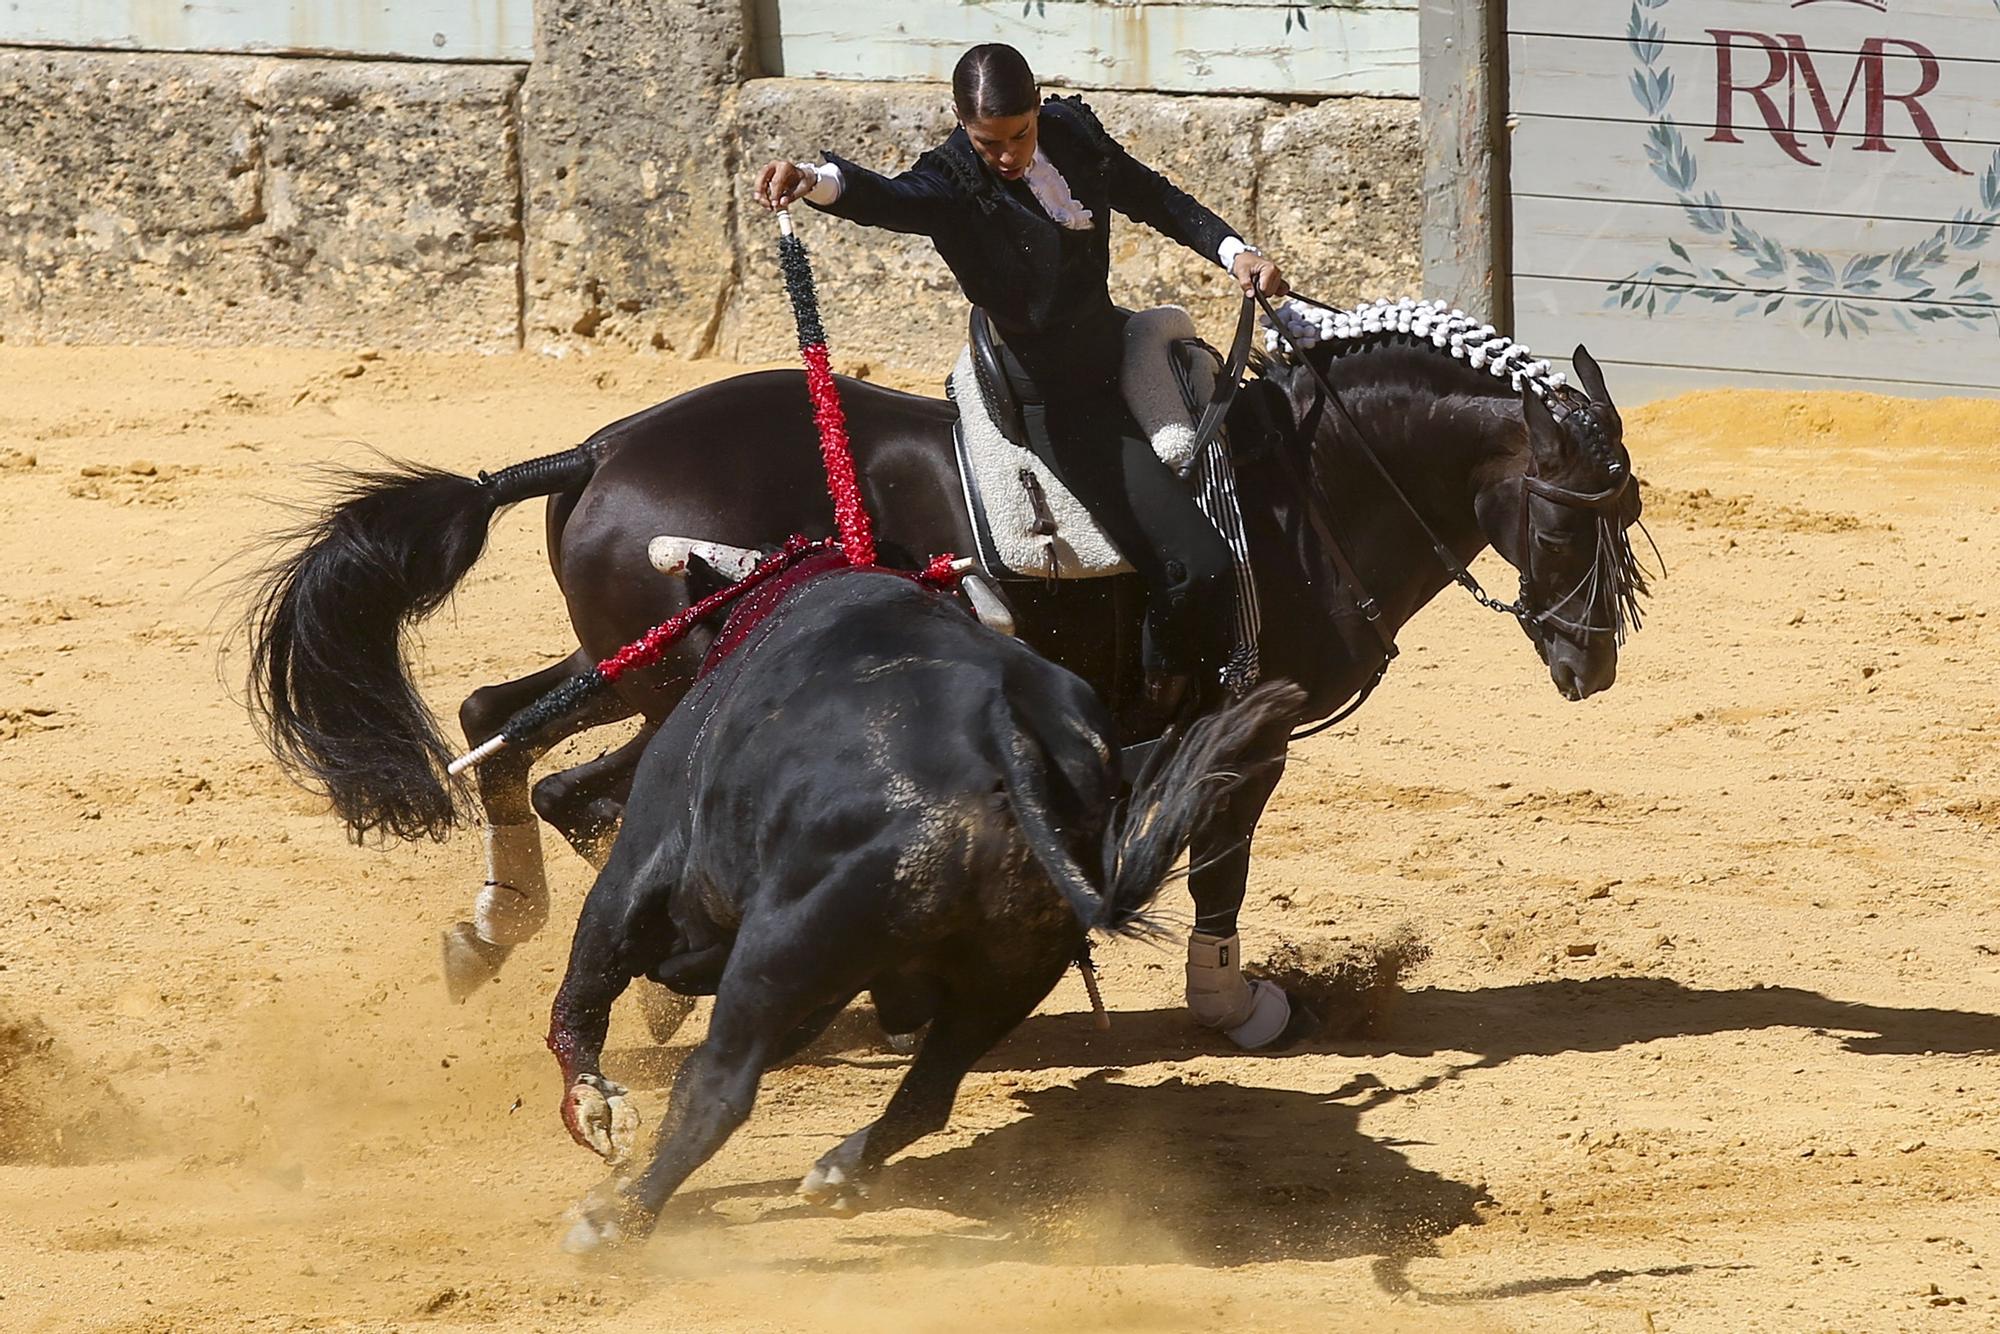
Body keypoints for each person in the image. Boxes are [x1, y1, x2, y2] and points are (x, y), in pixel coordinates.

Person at [753, 43, 1288, 705]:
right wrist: (811, 178)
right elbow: (885, 197)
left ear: (1038, 110)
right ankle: (1158, 706)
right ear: (960, 125)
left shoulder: (1071, 134)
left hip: (1115, 344)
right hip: (1055, 399)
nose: (1008, 156)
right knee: (1197, 564)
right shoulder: (952, 182)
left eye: (1020, 135)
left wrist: (1236, 252)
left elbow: (1154, 197)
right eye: (988, 142)